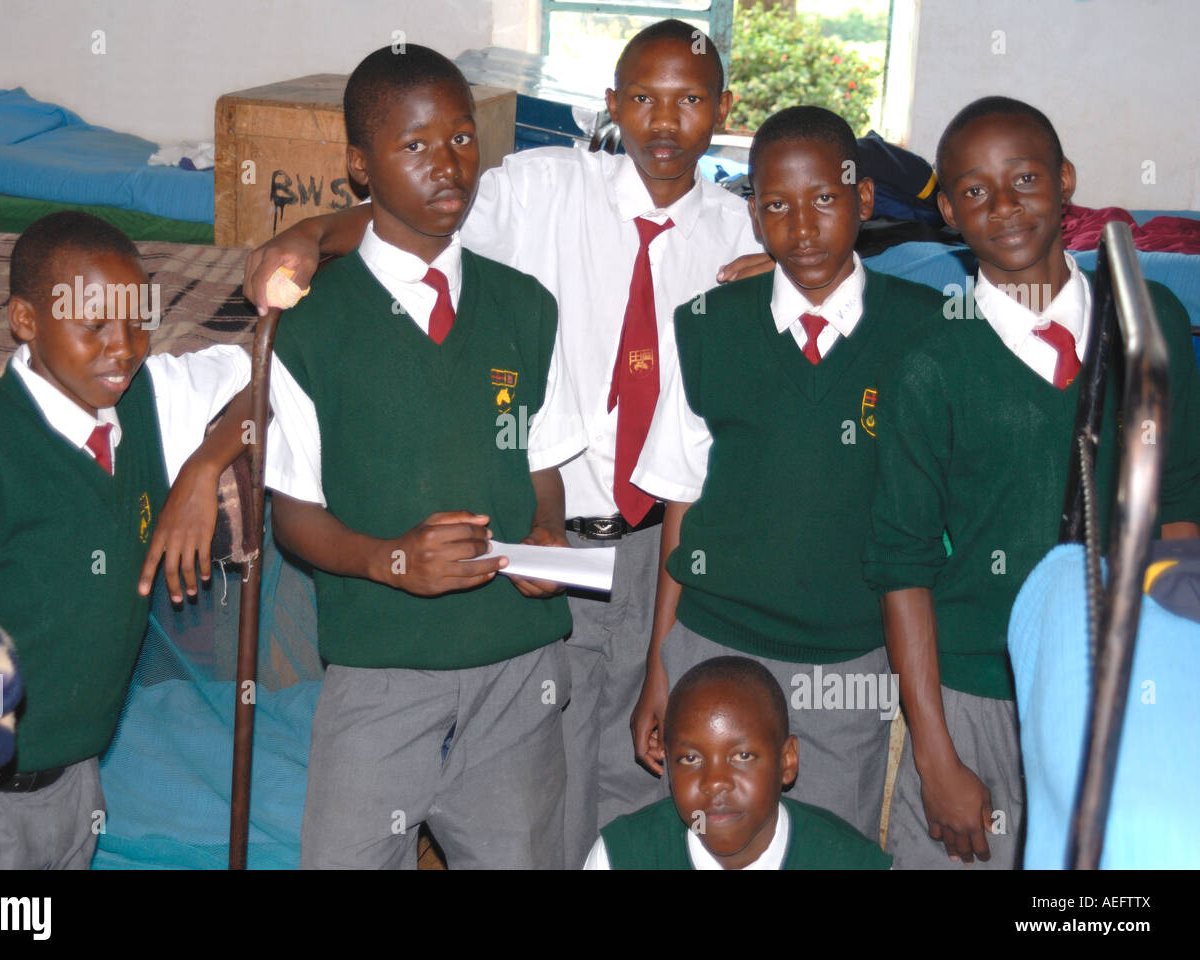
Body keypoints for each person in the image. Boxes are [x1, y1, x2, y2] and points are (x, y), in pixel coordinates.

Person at [242, 18, 769, 868]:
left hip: (663, 547)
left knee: (644, 768)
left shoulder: (745, 236)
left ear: (725, 109)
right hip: (541, 577)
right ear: (611, 105)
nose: (666, 121)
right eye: (643, 97)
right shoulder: (541, 187)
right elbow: (409, 216)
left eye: (690, 100)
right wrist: (309, 234)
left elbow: (541, 455)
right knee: (549, 797)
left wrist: (789, 277)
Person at [261, 44, 586, 869]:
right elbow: (294, 514)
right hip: (382, 670)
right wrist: (391, 560)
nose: (448, 165)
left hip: (517, 666)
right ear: (359, 167)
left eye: (462, 139)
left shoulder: (525, 307)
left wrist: (547, 532)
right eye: (415, 145)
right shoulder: (310, 329)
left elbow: (541, 462)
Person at [863, 95, 1200, 869]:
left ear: (1065, 179)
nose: (1004, 206)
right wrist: (936, 758)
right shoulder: (930, 360)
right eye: (974, 191)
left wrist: (1174, 661)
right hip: (979, 694)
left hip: (1123, 683)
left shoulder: (1150, 322)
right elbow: (902, 563)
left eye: (1024, 179)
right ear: (949, 211)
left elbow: (1180, 499)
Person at [0, 211, 253, 868]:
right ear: (26, 321)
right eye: (94, 326)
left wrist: (204, 467)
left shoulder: (152, 399)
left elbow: (271, 363)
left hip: (77, 785)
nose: (124, 348)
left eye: (137, 322)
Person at [630, 106, 944, 839]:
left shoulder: (925, 328)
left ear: (864, 199)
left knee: (830, 844)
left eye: (825, 199)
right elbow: (682, 505)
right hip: (712, 645)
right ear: (753, 214)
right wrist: (659, 665)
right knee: (706, 843)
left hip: (849, 659)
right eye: (776, 205)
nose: (802, 228)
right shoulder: (709, 324)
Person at [585, 655, 890, 869]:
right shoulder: (624, 859)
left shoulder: (847, 862)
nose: (715, 782)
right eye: (690, 758)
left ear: (787, 760)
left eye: (742, 756)